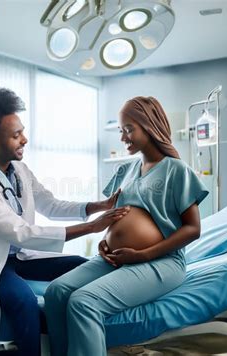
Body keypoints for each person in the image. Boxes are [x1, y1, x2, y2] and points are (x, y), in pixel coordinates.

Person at [0, 84, 129, 356]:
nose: (25, 140)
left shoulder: (18, 169)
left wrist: (96, 206)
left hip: (22, 258)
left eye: (23, 132)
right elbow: (20, 232)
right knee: (24, 302)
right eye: (16, 135)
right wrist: (91, 228)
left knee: (83, 267)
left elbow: (50, 204)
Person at [44, 96, 209, 356]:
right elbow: (115, 216)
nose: (123, 137)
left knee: (84, 301)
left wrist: (143, 254)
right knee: (56, 292)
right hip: (118, 258)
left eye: (129, 129)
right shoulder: (126, 170)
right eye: (122, 130)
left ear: (149, 126)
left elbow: (193, 229)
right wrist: (106, 242)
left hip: (162, 262)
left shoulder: (176, 170)